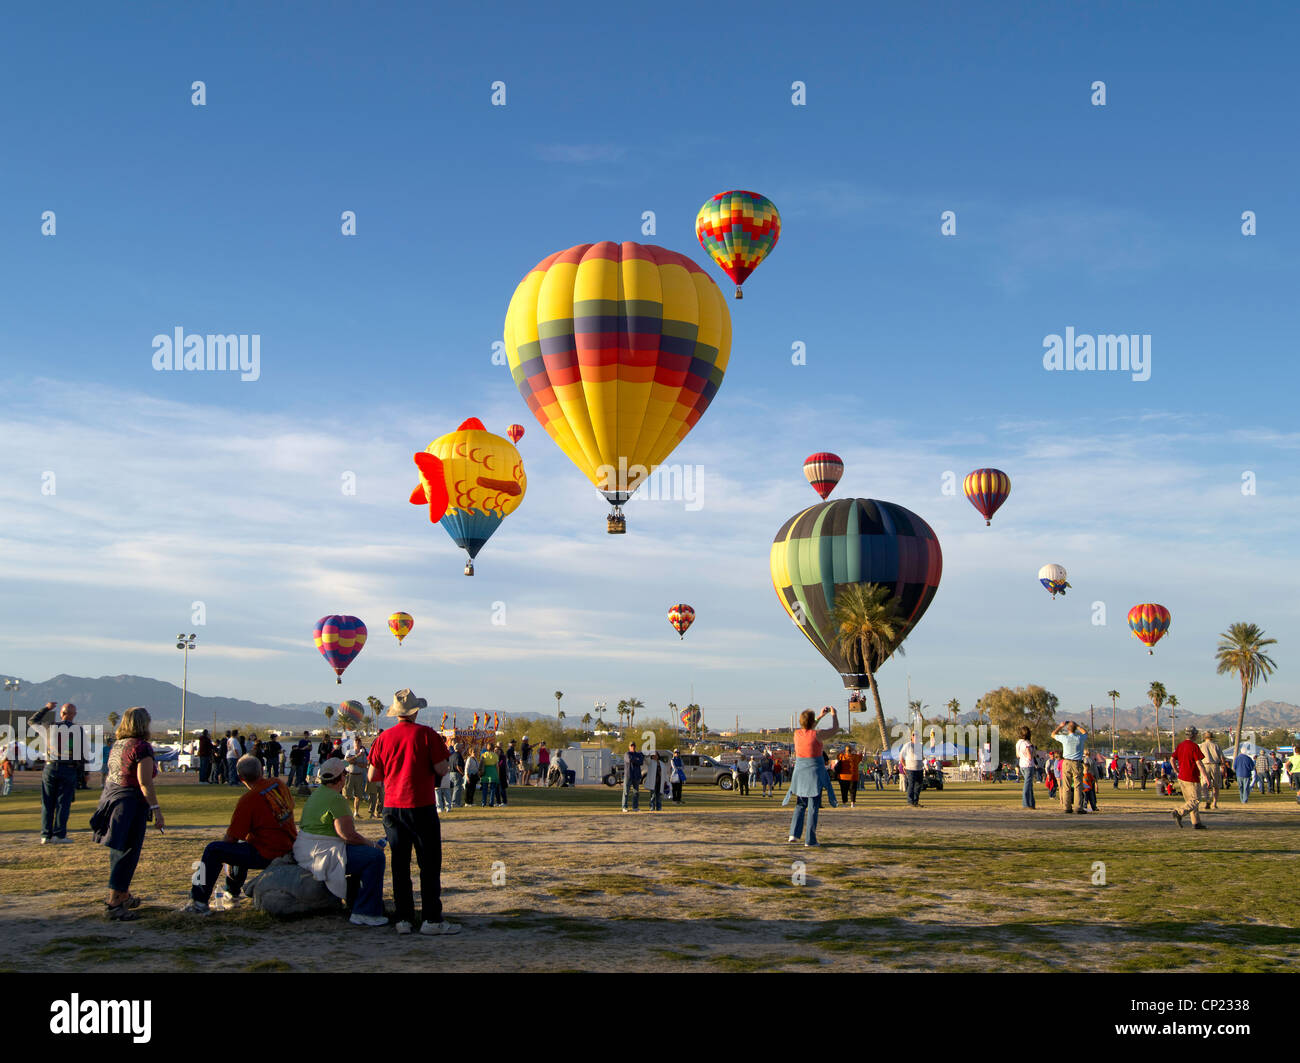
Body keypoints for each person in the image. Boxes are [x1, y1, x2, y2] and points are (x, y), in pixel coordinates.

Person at [368, 689, 460, 936]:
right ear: (415, 711)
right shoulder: (427, 735)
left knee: (399, 864)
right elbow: (442, 769)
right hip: (420, 806)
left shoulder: (383, 738)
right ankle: (431, 919)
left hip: (392, 807)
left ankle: (404, 919)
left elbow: (372, 775)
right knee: (428, 864)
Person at [184, 755, 296, 913]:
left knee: (214, 850)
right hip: (288, 845)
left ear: (240, 777)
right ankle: (231, 894)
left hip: (268, 852)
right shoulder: (278, 784)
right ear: (262, 770)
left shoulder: (249, 799)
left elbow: (231, 838)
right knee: (241, 850)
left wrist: (227, 855)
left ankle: (199, 900)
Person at [293, 757, 387, 926]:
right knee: (374, 857)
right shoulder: (336, 799)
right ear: (342, 778)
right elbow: (347, 835)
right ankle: (365, 911)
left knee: (364, 855)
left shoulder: (317, 795)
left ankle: (356, 900)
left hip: (306, 848)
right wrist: (373, 845)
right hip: (323, 850)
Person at [90, 708, 163, 921]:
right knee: (128, 853)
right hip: (130, 803)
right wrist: (155, 809)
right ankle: (115, 902)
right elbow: (144, 782)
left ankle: (122, 894)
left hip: (111, 799)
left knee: (118, 850)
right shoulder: (142, 747)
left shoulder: (118, 744)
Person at [783, 708, 839, 846]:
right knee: (813, 805)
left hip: (800, 772)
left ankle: (793, 834)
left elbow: (809, 726)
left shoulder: (797, 734)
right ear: (812, 721)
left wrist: (820, 716)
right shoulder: (817, 734)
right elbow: (835, 729)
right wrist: (833, 715)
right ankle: (810, 840)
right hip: (814, 772)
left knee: (800, 804)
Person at [40, 702, 87, 843]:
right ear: (74, 715)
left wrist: (46, 709)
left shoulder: (51, 726)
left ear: (61, 713)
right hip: (68, 769)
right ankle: (59, 835)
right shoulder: (77, 730)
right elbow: (81, 753)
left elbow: (33, 721)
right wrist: (83, 773)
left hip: (50, 766)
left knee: (48, 803)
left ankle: (45, 835)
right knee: (63, 804)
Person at [1172, 727, 1210, 830]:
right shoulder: (1194, 746)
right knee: (1195, 800)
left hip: (1181, 777)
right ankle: (1179, 812)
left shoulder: (1180, 745)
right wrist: (1206, 777)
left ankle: (1196, 822)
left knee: (1190, 801)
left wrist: (1176, 770)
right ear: (1194, 735)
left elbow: (1172, 759)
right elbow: (1199, 763)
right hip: (1191, 777)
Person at [1051, 720, 1088, 815]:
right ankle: (1078, 807)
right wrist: (1078, 725)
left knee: (1066, 785)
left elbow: (1053, 734)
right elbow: (1085, 733)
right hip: (1077, 763)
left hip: (1066, 762)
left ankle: (1067, 807)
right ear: (1075, 729)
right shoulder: (1080, 738)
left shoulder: (1065, 738)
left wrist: (1060, 726)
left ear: (1067, 729)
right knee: (1078, 786)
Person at [1197, 731, 1225, 810]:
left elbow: (1198, 758)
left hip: (1205, 765)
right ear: (1212, 737)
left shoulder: (1201, 746)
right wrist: (1223, 767)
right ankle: (1215, 803)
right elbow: (1222, 757)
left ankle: (1207, 799)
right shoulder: (1216, 746)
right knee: (1216, 786)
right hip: (1215, 765)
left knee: (1204, 785)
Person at [898, 728, 924, 807]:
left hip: (919, 769)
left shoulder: (920, 745)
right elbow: (901, 756)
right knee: (911, 785)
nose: (915, 736)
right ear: (911, 737)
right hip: (910, 769)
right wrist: (904, 766)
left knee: (919, 785)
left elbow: (922, 757)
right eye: (913, 735)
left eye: (916, 735)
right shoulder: (908, 745)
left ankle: (915, 801)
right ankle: (910, 801)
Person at [344, 739, 370, 817]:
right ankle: (345, 812)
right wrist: (357, 756)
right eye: (356, 742)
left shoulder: (364, 753)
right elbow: (347, 761)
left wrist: (355, 762)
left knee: (358, 795)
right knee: (347, 795)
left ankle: (356, 812)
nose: (358, 744)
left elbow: (365, 765)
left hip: (359, 775)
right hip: (350, 775)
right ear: (354, 743)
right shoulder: (349, 752)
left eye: (359, 742)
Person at [1015, 727, 1037, 810]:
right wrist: (1033, 751)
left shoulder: (1018, 743)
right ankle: (1026, 803)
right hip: (1028, 765)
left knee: (1029, 784)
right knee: (1027, 785)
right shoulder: (1027, 744)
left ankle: (1031, 804)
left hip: (1022, 765)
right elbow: (1030, 756)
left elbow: (1017, 755)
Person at [622, 742, 645, 812]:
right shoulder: (627, 754)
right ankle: (624, 807)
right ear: (629, 747)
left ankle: (635, 807)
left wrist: (634, 759)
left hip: (636, 776)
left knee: (636, 792)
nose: (633, 747)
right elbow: (629, 760)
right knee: (626, 792)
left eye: (634, 746)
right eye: (631, 746)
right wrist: (636, 759)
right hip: (628, 775)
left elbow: (641, 762)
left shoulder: (638, 754)